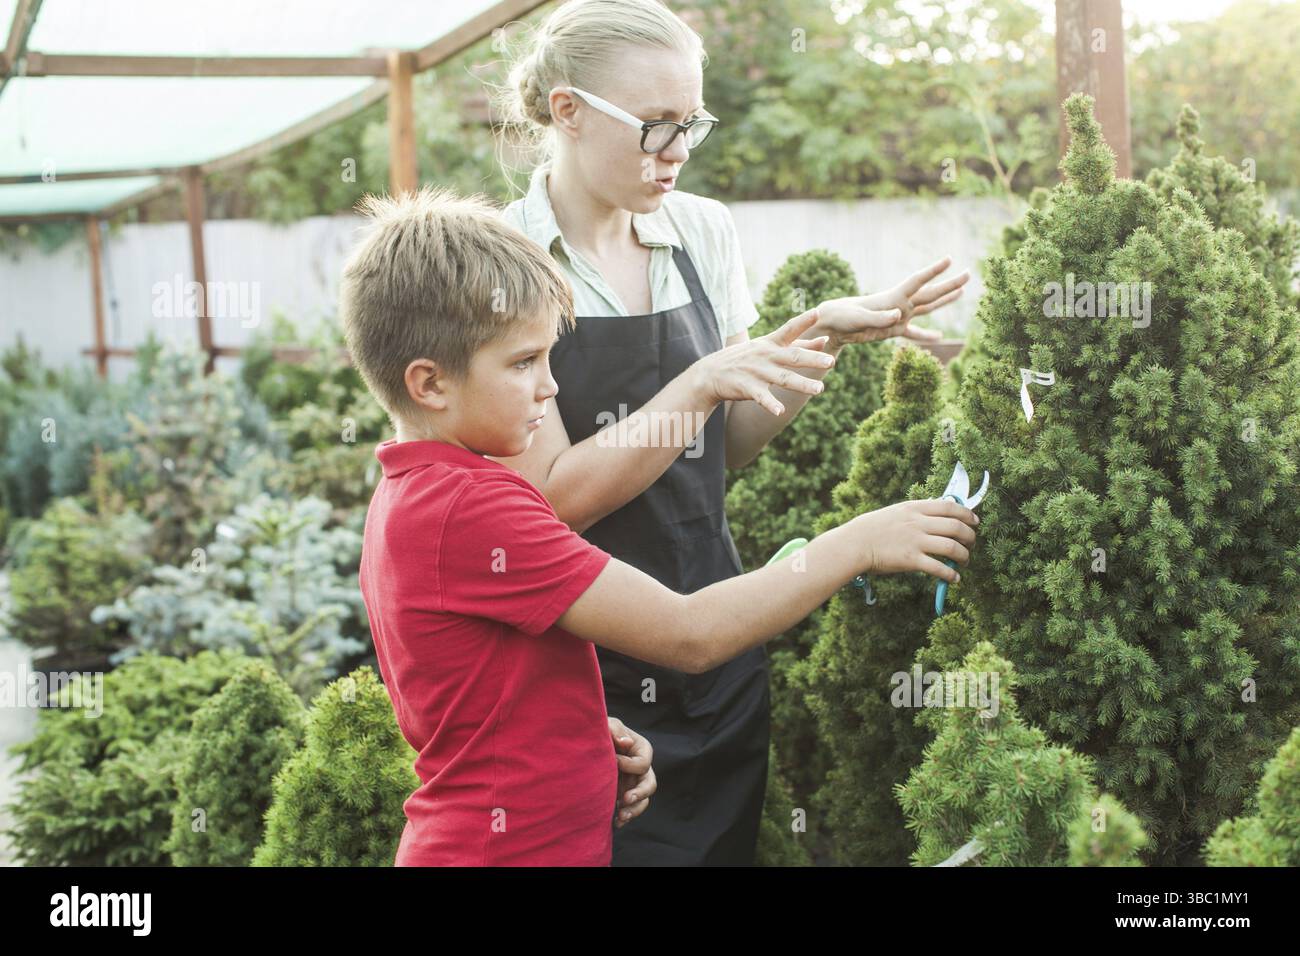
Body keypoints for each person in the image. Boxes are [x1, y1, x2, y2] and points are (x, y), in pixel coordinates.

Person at [343, 186, 978, 866]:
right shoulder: (473, 510)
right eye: (523, 363)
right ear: (429, 385)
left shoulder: (421, 490)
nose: (550, 388)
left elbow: (480, 694)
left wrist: (584, 741)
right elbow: (690, 635)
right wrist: (858, 543)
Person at [489, 0, 970, 864]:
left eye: (692, 125)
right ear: (567, 110)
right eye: (656, 127)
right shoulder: (501, 259)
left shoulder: (704, 230)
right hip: (581, 666)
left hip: (718, 635)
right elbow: (552, 500)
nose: (676, 152)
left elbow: (724, 451)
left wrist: (821, 334)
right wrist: (699, 383)